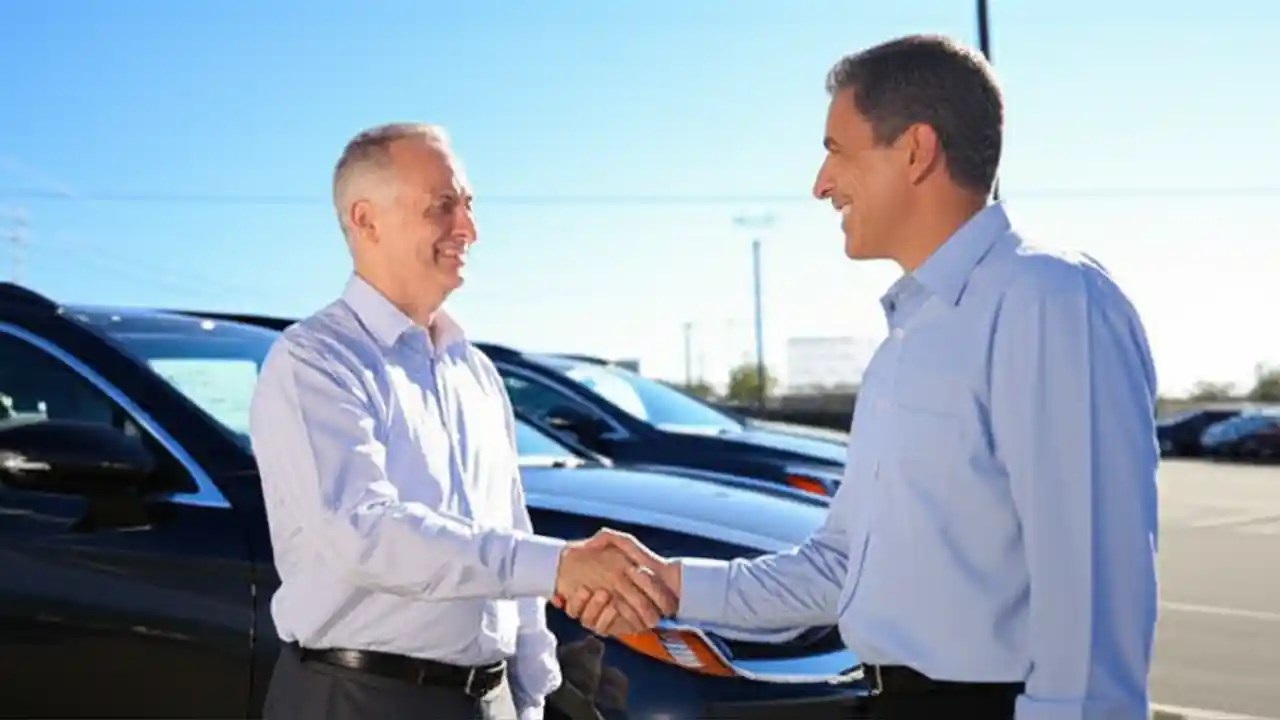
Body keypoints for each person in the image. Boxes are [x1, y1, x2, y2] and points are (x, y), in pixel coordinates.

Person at [560, 35, 1160, 720]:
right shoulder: (907, 340)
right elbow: (838, 568)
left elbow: (1092, 584)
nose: (820, 183)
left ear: (915, 150)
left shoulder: (1048, 298)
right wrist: (668, 584)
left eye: (836, 149)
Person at [248, 122, 676, 720]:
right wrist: (560, 565)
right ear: (365, 220)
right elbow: (366, 532)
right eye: (442, 206)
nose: (468, 230)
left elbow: (509, 524)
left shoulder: (473, 371)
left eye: (468, 206)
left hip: (489, 702)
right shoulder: (314, 362)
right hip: (359, 701)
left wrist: (531, 692)